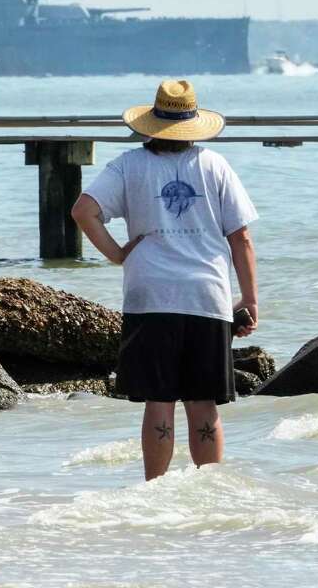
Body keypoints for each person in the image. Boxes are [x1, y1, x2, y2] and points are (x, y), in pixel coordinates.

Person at [70, 79, 259, 481]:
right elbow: (241, 237)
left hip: (150, 296)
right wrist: (250, 299)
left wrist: (118, 254)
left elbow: (83, 211)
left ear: (151, 122)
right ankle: (208, 491)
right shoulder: (214, 165)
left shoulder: (128, 165)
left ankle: (154, 491)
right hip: (206, 296)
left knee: (158, 402)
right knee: (203, 403)